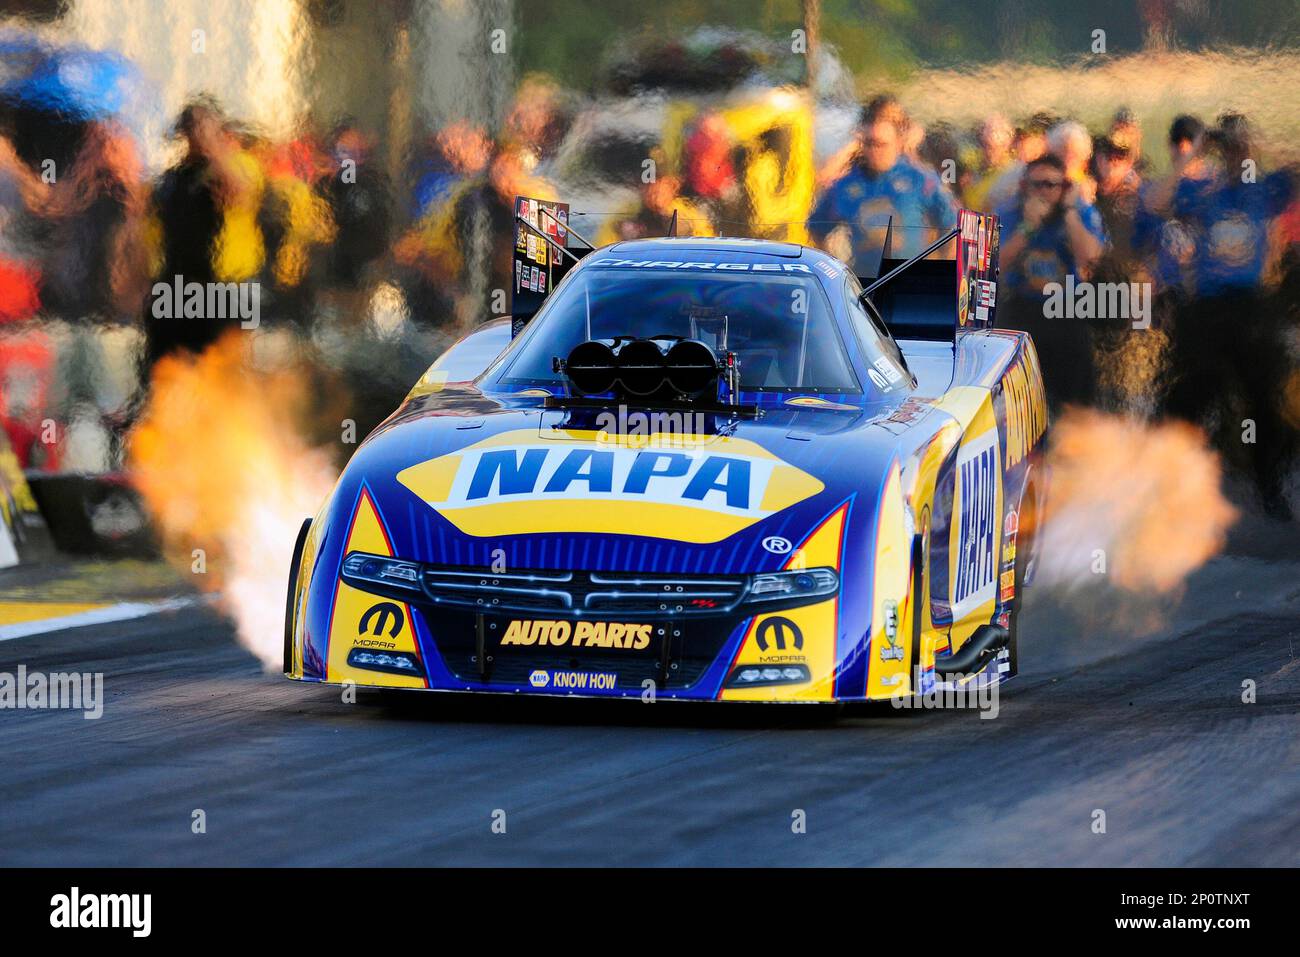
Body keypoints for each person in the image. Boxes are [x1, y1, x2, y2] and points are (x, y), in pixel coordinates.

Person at [1162, 113, 1297, 516]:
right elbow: (1158, 201)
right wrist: (1198, 150)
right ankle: (1170, 481)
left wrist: (1258, 143)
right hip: (1207, 306)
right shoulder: (1204, 191)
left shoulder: (1264, 188)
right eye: (1230, 148)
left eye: (1241, 148)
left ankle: (1268, 485)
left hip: (1250, 305)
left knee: (1265, 400)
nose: (1236, 155)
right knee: (1190, 393)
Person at [996, 153, 1107, 408]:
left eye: (1051, 185)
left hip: (1066, 308)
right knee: (1020, 402)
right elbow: (994, 265)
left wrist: (1069, 213)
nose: (1043, 192)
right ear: (1024, 186)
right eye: (1036, 184)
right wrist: (1028, 227)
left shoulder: (1079, 212)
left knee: (1076, 403)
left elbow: (1092, 259)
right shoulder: (1010, 212)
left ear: (1063, 187)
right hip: (1022, 307)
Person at [807, 95, 957, 269]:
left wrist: (942, 271)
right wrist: (834, 270)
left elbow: (951, 225)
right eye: (869, 144)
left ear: (898, 143)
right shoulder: (846, 186)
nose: (875, 151)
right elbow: (816, 228)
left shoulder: (919, 179)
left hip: (910, 281)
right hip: (867, 284)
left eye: (881, 144)